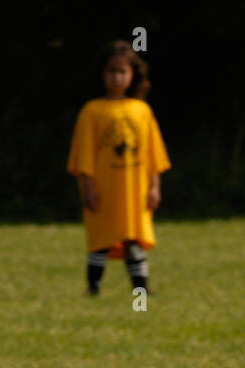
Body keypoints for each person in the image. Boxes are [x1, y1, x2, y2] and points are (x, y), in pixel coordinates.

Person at [67, 40, 171, 297]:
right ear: (102, 74)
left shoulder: (141, 110)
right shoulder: (92, 111)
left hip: (135, 190)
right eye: (112, 71)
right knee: (101, 239)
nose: (117, 77)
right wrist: (87, 187)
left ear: (133, 74)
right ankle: (93, 288)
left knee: (134, 238)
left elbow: (153, 155)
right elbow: (85, 154)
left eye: (122, 71)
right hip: (105, 189)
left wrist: (155, 187)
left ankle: (141, 288)